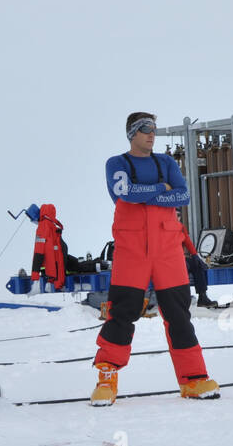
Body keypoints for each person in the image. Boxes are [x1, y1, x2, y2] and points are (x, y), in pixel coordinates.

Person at [91, 113, 220, 405]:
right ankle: (106, 379)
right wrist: (161, 190)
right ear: (132, 134)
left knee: (178, 314)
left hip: (168, 250)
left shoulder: (166, 163)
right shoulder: (117, 163)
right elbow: (124, 192)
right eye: (146, 130)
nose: (152, 135)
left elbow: (183, 196)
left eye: (154, 130)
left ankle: (194, 380)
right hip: (131, 251)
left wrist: (147, 195)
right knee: (122, 313)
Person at [179, 220, 218, 308]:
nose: (177, 218)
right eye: (175, 215)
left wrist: (195, 255)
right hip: (169, 259)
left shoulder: (180, 226)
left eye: (179, 216)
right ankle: (183, 298)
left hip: (180, 258)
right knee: (183, 268)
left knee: (197, 264)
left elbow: (187, 241)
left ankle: (202, 297)